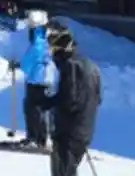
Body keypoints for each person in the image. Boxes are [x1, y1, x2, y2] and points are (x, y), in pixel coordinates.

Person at [39, 21, 101, 176]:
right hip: (85, 128)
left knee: (63, 170)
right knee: (69, 168)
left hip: (69, 131)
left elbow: (69, 100)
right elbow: (98, 98)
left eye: (53, 50)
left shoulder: (70, 67)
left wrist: (49, 102)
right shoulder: (91, 65)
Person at [8, 9, 54, 151]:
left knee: (32, 109)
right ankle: (41, 138)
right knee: (40, 109)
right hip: (46, 79)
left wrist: (18, 65)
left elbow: (29, 62)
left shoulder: (38, 43)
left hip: (36, 80)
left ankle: (35, 138)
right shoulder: (47, 40)